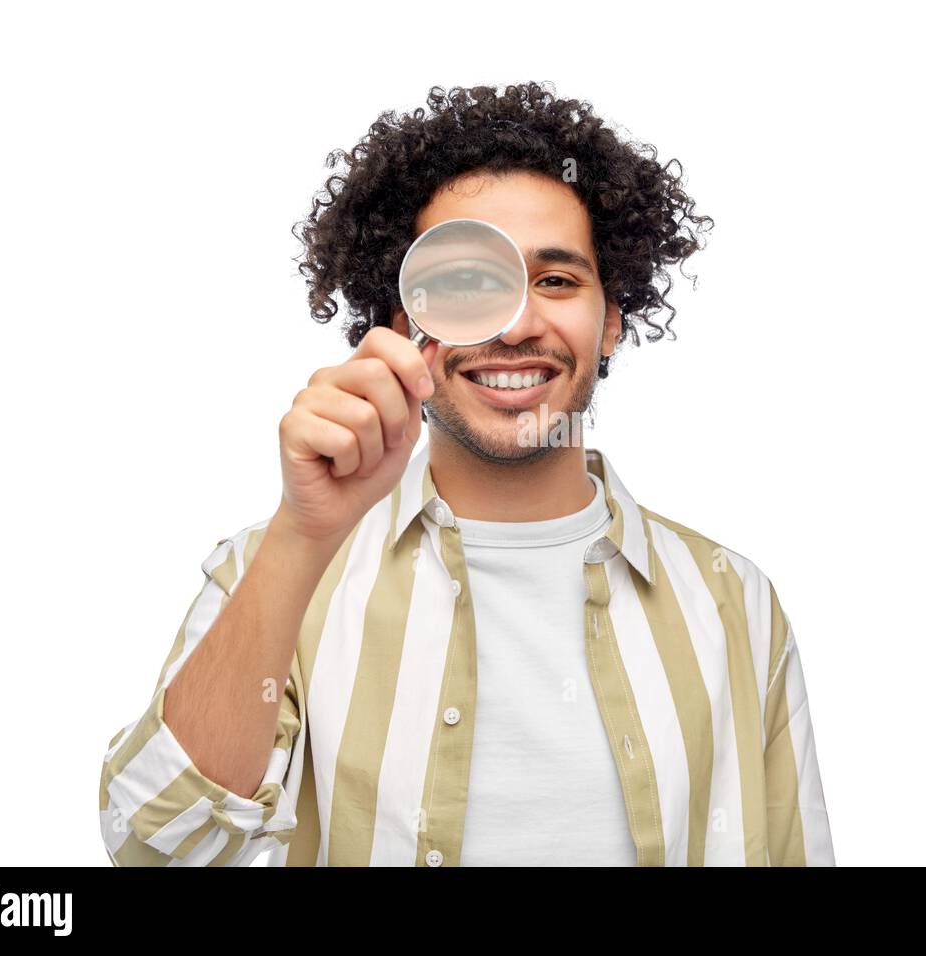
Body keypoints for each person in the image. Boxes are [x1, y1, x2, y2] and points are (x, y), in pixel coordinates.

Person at [97, 81, 834, 867]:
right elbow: (157, 849)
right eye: (465, 283)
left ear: (613, 317)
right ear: (402, 322)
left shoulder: (735, 605)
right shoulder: (276, 572)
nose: (516, 325)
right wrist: (303, 533)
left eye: (554, 281)